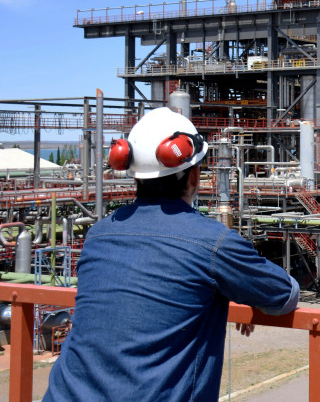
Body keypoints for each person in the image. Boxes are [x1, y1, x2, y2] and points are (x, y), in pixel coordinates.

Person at [45, 107, 299, 401]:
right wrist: (244, 291)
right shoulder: (213, 242)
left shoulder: (98, 235)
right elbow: (284, 294)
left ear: (134, 176)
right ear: (194, 175)